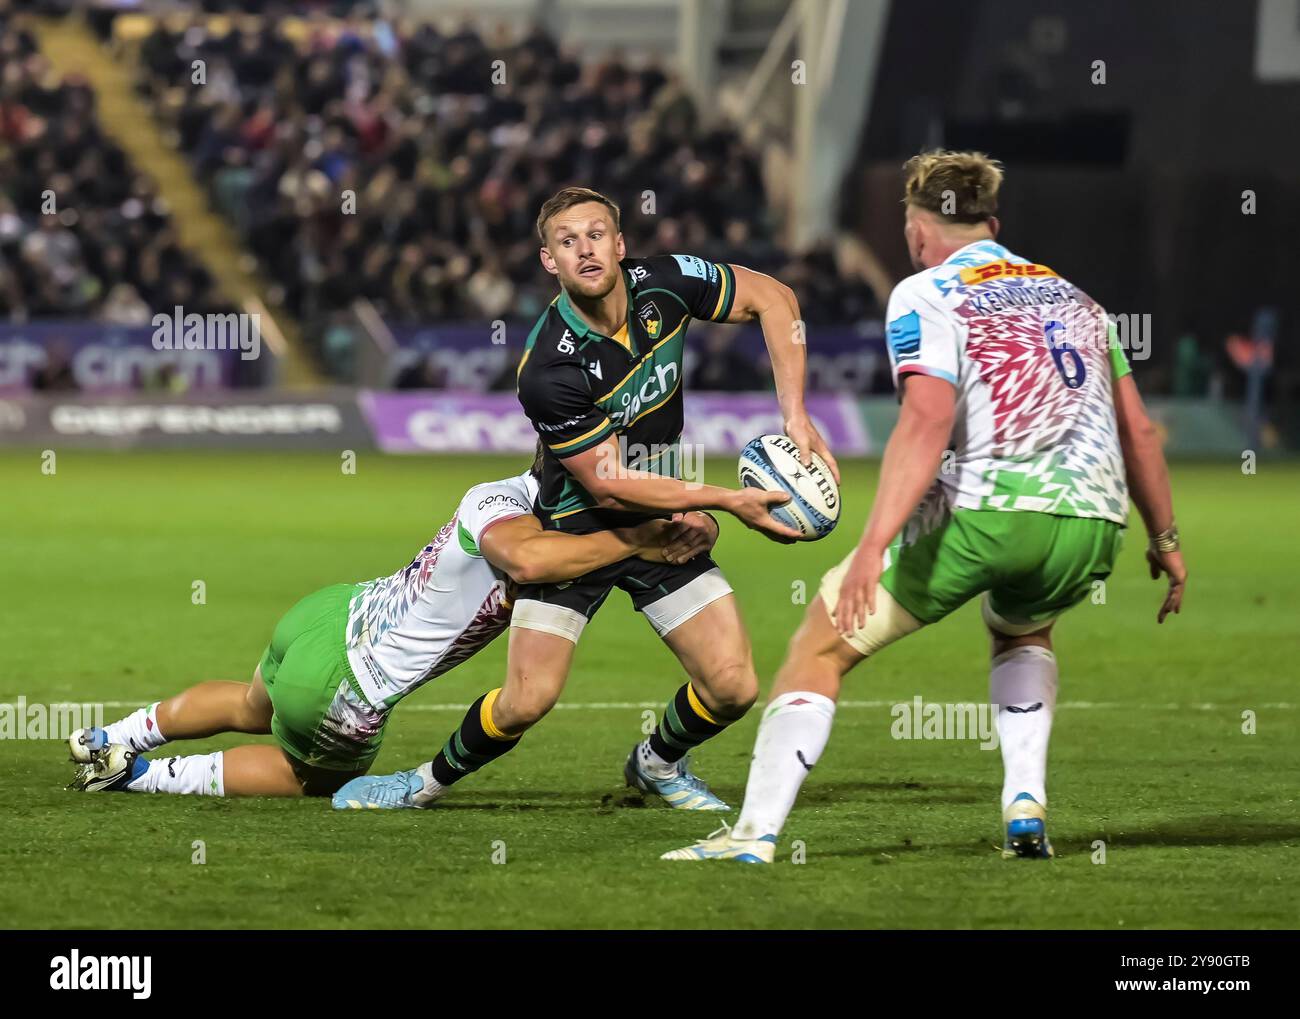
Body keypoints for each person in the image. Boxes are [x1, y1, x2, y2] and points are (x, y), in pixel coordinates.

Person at [664, 150, 1187, 863]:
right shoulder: (1076, 298)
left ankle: (753, 835)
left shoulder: (926, 292)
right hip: (1095, 522)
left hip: (991, 511)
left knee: (817, 647)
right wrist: (1166, 538)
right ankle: (1024, 803)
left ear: (915, 228)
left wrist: (875, 544)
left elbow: (925, 419)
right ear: (992, 223)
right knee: (1023, 631)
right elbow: (1140, 430)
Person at [335, 185, 837, 812]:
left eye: (597, 235)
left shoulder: (669, 282)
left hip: (661, 520)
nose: (585, 250)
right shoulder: (548, 366)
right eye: (567, 242)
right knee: (527, 700)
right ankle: (422, 784)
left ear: (621, 244)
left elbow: (776, 298)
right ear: (550, 262)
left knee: (732, 687)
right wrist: (726, 502)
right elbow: (608, 482)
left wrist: (794, 413)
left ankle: (657, 763)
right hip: (578, 531)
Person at [67, 454, 716, 798]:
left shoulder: (497, 490)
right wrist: (645, 543)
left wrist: (694, 510)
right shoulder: (525, 526)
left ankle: (113, 735)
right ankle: (135, 775)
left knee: (248, 701)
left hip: (329, 613)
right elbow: (530, 558)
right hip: (349, 683)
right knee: (310, 780)